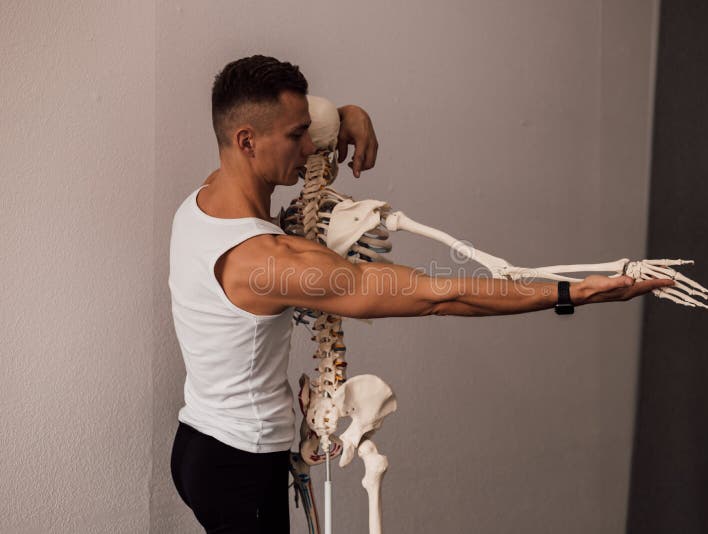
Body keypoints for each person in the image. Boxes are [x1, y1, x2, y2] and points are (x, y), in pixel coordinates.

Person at [168, 54, 674, 533]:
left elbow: (323, 120)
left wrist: (351, 114)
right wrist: (571, 293)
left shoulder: (207, 198)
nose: (310, 148)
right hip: (240, 465)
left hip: (196, 440)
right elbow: (437, 295)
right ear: (247, 140)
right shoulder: (270, 264)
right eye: (298, 136)